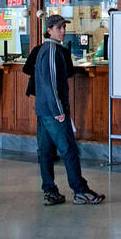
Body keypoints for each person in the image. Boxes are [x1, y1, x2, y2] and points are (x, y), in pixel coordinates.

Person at [31, 15, 104, 205]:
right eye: (59, 28)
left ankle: (50, 190)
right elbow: (50, 84)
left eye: (64, 27)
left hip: (43, 110)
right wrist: (59, 110)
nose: (63, 31)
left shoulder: (45, 50)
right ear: (49, 30)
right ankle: (80, 190)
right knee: (69, 150)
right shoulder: (53, 51)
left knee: (46, 151)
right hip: (53, 111)